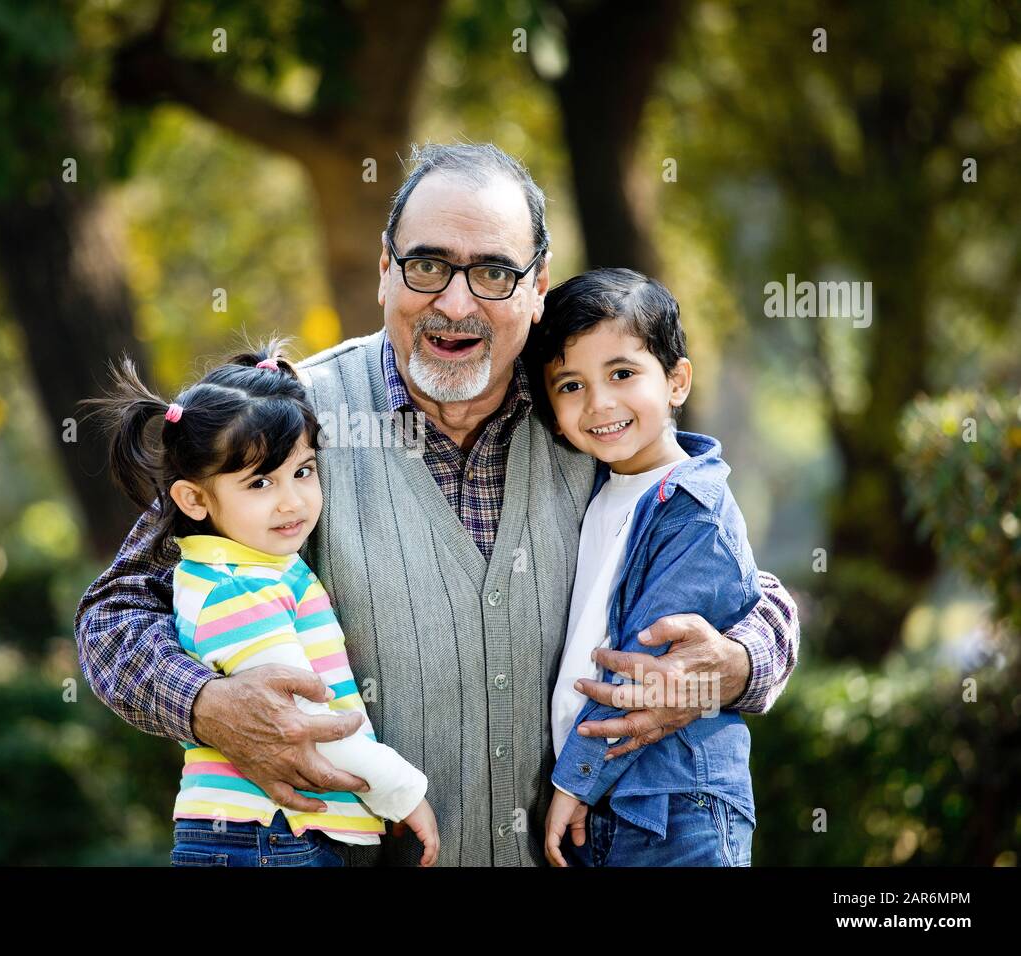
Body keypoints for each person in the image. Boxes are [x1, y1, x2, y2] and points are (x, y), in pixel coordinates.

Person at [75, 142, 800, 866]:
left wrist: (733, 666)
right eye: (427, 265)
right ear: (386, 271)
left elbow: (740, 583)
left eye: (493, 272)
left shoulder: (593, 417)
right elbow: (113, 614)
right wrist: (210, 707)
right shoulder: (286, 422)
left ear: (538, 286)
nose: (455, 304)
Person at [79, 342, 438, 866]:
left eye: (304, 471)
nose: (292, 501)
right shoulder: (236, 589)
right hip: (266, 836)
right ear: (194, 500)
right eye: (261, 482)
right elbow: (301, 723)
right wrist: (403, 794)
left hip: (275, 833)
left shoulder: (261, 564)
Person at [532, 269, 759, 867]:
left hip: (677, 799)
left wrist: (572, 781)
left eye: (623, 374)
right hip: (615, 792)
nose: (600, 403)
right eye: (571, 385)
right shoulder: (604, 490)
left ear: (677, 380)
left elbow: (644, 664)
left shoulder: (693, 511)